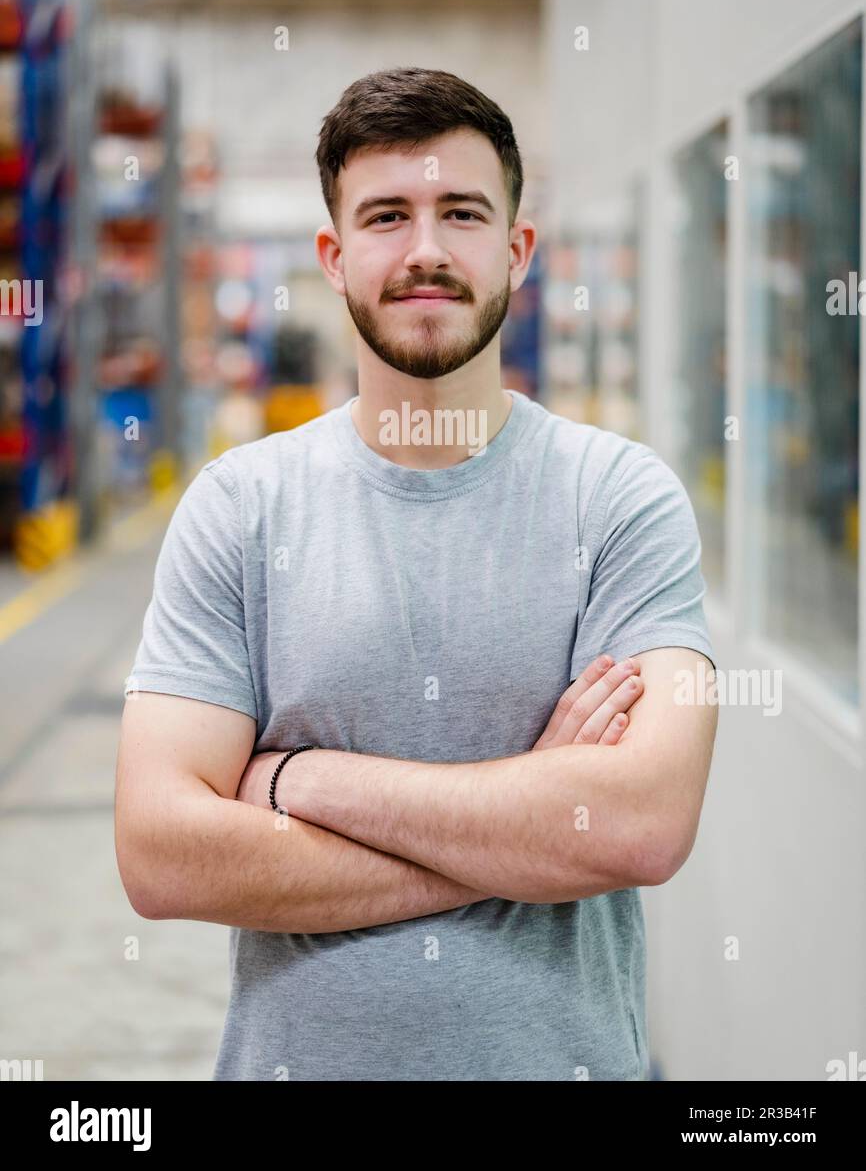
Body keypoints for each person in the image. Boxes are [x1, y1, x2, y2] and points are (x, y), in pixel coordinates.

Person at [116, 66, 718, 1082]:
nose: (426, 250)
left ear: (517, 249)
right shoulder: (239, 507)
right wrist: (527, 824)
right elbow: (160, 854)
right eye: (386, 215)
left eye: (462, 213)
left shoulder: (620, 499)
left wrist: (299, 780)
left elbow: (639, 824)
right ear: (334, 256)